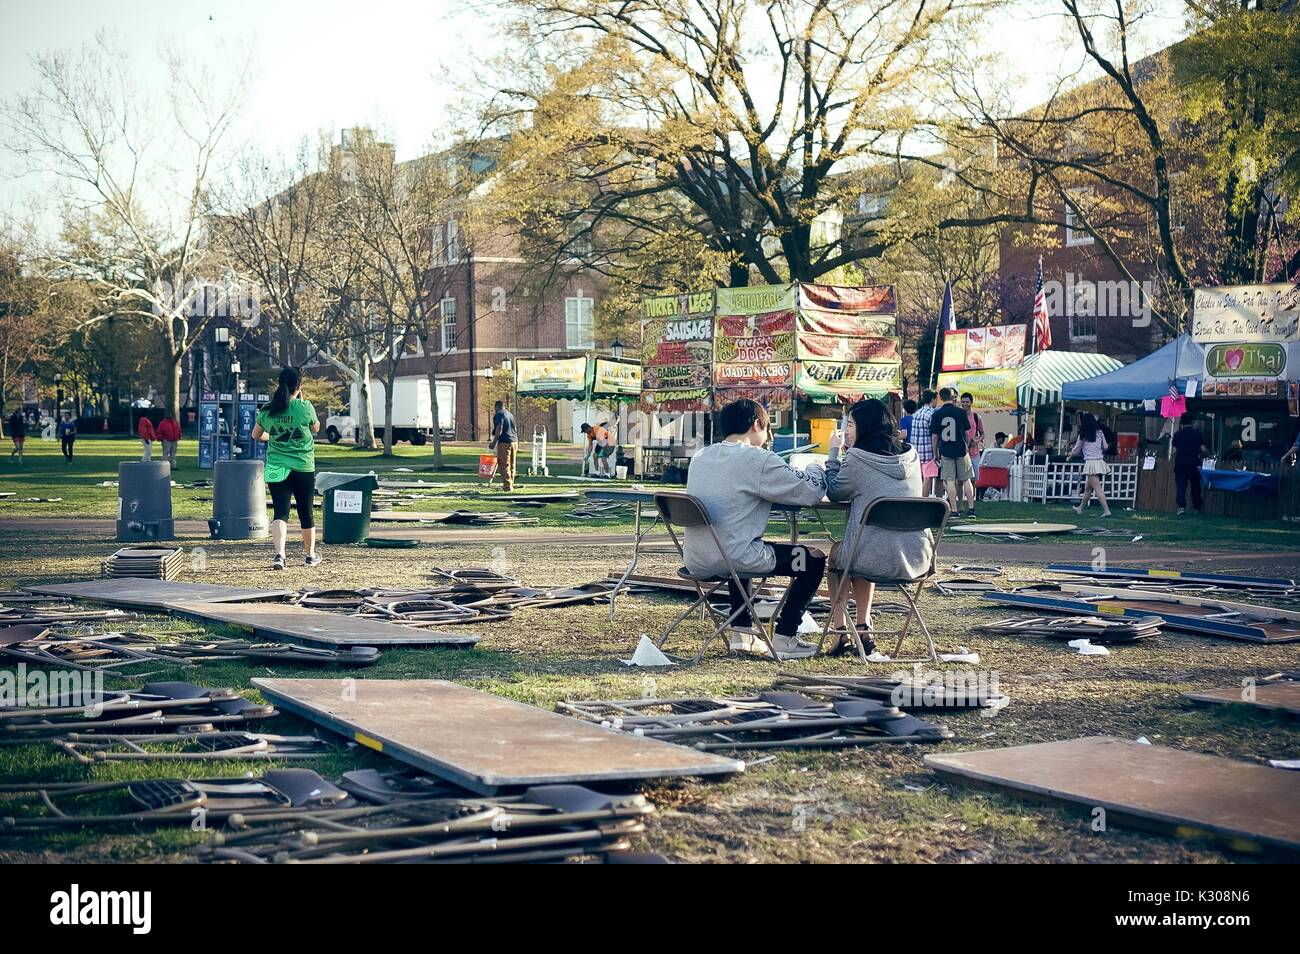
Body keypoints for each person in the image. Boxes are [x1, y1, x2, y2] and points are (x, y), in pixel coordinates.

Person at [684, 398, 827, 660]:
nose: (769, 435)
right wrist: (817, 467)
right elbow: (810, 492)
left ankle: (743, 633)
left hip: (698, 559)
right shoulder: (758, 459)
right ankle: (785, 636)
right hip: (735, 556)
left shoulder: (701, 456)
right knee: (814, 559)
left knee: (740, 543)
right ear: (755, 425)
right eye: (768, 428)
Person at [824, 399, 933, 657]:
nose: (847, 430)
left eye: (850, 424)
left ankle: (841, 633)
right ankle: (864, 627)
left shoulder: (857, 459)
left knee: (840, 554)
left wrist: (832, 454)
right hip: (916, 557)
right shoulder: (912, 456)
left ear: (865, 427)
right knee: (864, 545)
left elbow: (835, 490)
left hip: (873, 556)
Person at [253, 367, 321, 569]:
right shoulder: (305, 406)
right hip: (302, 467)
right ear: (298, 386)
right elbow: (315, 428)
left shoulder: (267, 409)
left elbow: (256, 435)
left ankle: (280, 555)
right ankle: (309, 556)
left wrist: (271, 436)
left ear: (279, 384)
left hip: (276, 467)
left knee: (280, 512)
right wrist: (301, 399)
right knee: (305, 512)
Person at [930, 387, 975, 518]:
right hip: (961, 449)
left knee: (950, 481)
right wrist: (966, 445)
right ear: (953, 397)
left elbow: (934, 436)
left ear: (940, 398)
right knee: (966, 479)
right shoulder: (961, 412)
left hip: (945, 450)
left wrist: (935, 453)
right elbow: (966, 432)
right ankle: (971, 508)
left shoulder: (936, 414)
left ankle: (954, 510)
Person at [1070, 412, 1111, 517]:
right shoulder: (1100, 433)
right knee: (1088, 488)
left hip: (1091, 463)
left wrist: (1069, 456)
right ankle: (1080, 509)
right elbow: (1106, 447)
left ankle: (1106, 510)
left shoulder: (1083, 434)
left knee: (1097, 488)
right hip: (1099, 461)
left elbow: (1075, 450)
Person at [1171, 414, 1205, 515]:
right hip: (1194, 463)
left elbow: (1173, 450)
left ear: (1181, 422)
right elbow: (1203, 448)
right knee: (1195, 486)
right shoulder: (1197, 433)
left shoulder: (1177, 434)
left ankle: (1181, 507)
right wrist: (1207, 454)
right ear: (1192, 422)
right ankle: (1196, 508)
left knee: (1181, 486)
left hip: (1180, 463)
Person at [911, 389, 939, 497]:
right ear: (932, 399)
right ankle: (924, 500)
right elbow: (934, 435)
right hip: (928, 451)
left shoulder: (916, 414)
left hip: (917, 451)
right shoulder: (931, 414)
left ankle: (918, 497)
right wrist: (935, 452)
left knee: (919, 478)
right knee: (928, 478)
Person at [489, 400, 517, 492]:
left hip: (504, 442)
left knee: (504, 464)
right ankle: (511, 484)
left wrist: (494, 442)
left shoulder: (499, 415)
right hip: (514, 441)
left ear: (496, 407)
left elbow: (499, 428)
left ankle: (507, 486)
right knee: (512, 464)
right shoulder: (510, 415)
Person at [960, 392, 985, 482]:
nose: (965, 404)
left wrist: (976, 441)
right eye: (963, 402)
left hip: (974, 453)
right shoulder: (958, 416)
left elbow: (982, 434)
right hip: (961, 452)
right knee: (961, 480)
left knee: (974, 480)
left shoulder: (976, 417)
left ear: (971, 402)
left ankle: (972, 496)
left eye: (967, 402)